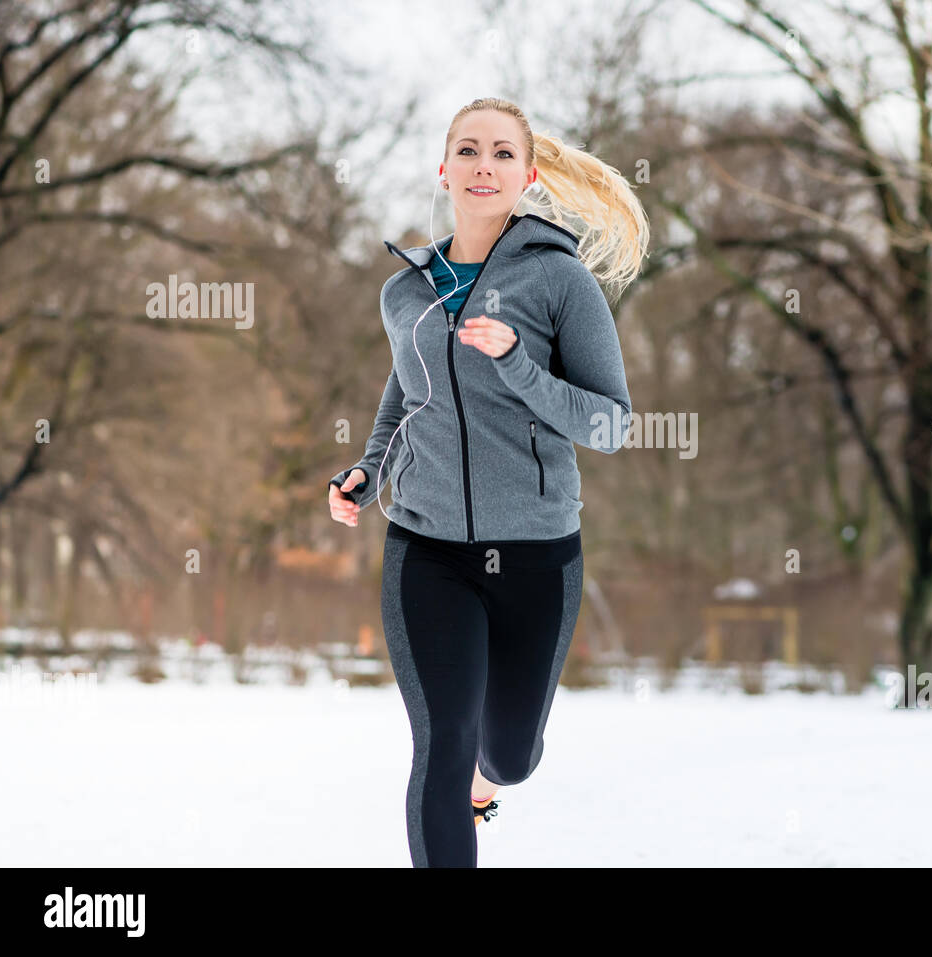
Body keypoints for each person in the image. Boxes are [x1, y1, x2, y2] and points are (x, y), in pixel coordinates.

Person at [326, 97, 648, 867]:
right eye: (468, 150)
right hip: (427, 549)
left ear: (527, 174)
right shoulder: (407, 291)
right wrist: (370, 471)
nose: (483, 165)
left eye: (503, 153)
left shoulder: (562, 283)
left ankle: (489, 779)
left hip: (537, 552)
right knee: (441, 746)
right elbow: (407, 396)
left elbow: (610, 423)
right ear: (444, 169)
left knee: (508, 755)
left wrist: (518, 366)